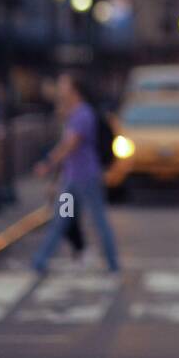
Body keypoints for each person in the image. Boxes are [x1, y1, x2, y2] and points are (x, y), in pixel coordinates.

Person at [31, 72, 119, 274]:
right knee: (61, 220)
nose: (60, 89)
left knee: (98, 220)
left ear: (74, 90)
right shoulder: (75, 113)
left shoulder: (83, 114)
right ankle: (40, 260)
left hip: (86, 178)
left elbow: (69, 145)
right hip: (73, 178)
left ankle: (113, 262)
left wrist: (48, 163)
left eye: (64, 85)